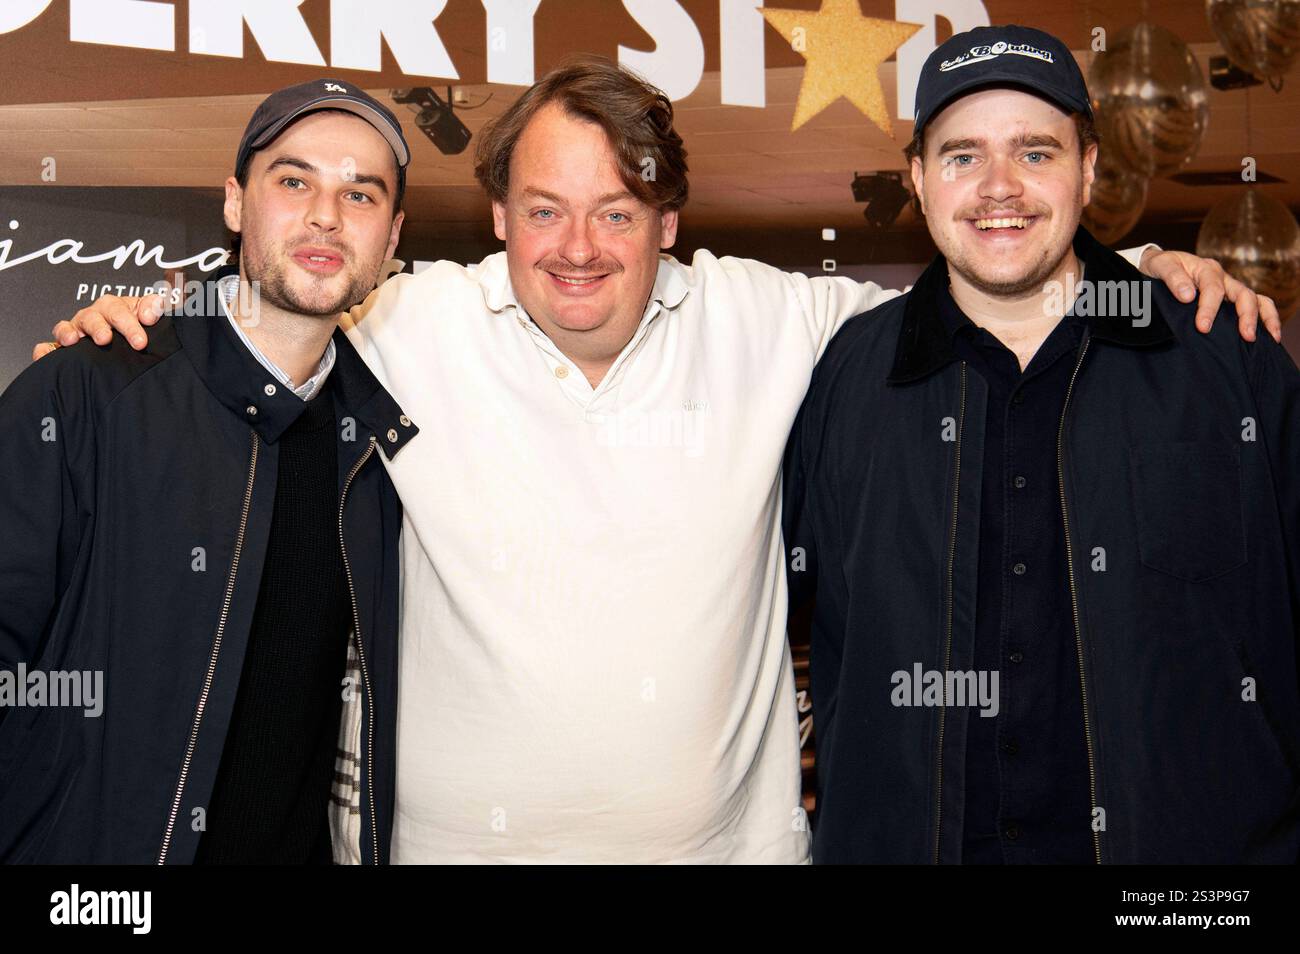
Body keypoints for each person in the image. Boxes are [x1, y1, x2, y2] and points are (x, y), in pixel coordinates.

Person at [41, 57, 1279, 863]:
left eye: (619, 211)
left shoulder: (781, 324)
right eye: (542, 209)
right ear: (494, 219)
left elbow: (991, 283)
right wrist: (141, 314)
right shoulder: (406, 322)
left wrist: (1151, 283)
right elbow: (285, 287)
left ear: (670, 224)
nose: (577, 248)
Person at [783, 25, 1300, 863]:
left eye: (1034, 152)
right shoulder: (845, 377)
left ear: (1089, 168)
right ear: (917, 179)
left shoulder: (1224, 354)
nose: (999, 188)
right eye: (961, 156)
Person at [0, 80, 414, 864]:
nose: (326, 215)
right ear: (234, 203)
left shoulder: (379, 448)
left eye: (359, 195)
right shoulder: (89, 390)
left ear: (391, 238)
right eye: (294, 182)